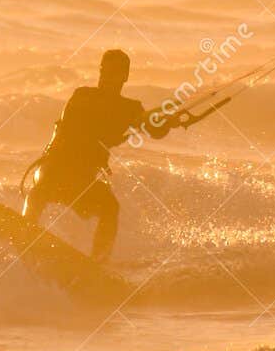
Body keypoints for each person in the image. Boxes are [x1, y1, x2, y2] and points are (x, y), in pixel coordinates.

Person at [20, 49, 189, 261]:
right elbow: (105, 116)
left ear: (125, 76)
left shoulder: (130, 108)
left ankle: (99, 262)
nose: (106, 77)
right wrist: (148, 120)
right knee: (39, 191)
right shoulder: (83, 95)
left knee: (110, 207)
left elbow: (151, 127)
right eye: (104, 71)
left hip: (82, 180)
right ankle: (24, 231)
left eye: (113, 72)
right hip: (54, 169)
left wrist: (167, 122)